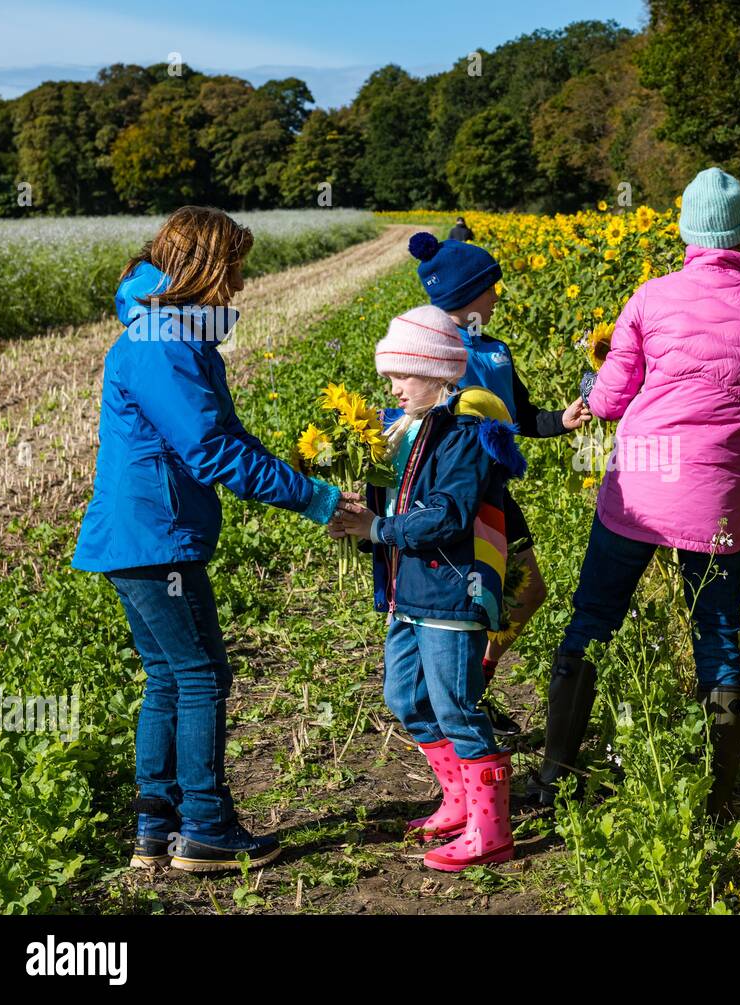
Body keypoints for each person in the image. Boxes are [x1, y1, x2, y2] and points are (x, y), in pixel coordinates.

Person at [529, 168, 740, 815]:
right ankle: (716, 800)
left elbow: (613, 398)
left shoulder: (651, 298)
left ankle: (553, 776)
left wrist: (585, 399)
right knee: (719, 639)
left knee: (591, 622)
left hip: (639, 488)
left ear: (685, 231)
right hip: (715, 505)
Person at [72, 206, 345, 872]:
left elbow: (227, 434)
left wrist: (306, 486)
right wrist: (314, 500)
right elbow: (212, 451)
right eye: (235, 268)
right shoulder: (162, 341)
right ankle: (205, 826)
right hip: (155, 537)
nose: (241, 284)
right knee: (201, 676)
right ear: (202, 266)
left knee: (168, 676)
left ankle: (156, 830)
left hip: (142, 537)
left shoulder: (163, 332)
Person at [331, 304, 526, 871]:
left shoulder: (462, 437)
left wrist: (379, 528)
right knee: (405, 698)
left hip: (449, 595)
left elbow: (447, 515)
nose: (389, 385)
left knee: (456, 707)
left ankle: (492, 832)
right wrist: (356, 517)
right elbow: (393, 506)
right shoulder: (408, 432)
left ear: (437, 371)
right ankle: (459, 802)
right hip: (408, 595)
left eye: (399, 374)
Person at [408, 231, 590, 734]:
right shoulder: (434, 353)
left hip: (496, 494)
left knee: (528, 592)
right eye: (491, 288)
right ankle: (452, 707)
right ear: (465, 295)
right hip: (456, 501)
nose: (497, 296)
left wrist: (561, 420)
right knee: (465, 604)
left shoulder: (496, 351)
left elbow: (522, 414)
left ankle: (472, 688)